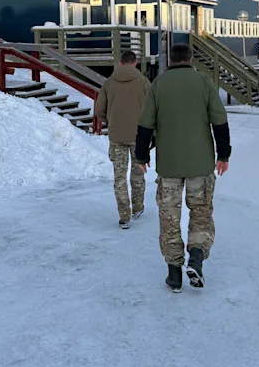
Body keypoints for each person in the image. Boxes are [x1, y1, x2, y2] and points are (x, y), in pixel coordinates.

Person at [135, 43, 232, 293]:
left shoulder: (158, 84)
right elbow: (219, 120)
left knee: (169, 218)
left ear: (171, 60)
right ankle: (197, 257)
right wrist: (223, 154)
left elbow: (145, 123)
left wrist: (142, 154)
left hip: (168, 166)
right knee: (200, 212)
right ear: (189, 58)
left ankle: (174, 274)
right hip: (200, 164)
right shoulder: (203, 83)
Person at [95, 50, 152, 230]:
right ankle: (137, 207)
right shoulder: (143, 82)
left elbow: (99, 111)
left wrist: (110, 121)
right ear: (134, 63)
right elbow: (152, 108)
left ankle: (124, 216)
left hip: (117, 137)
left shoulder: (109, 83)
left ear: (120, 63)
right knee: (137, 174)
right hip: (139, 137)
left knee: (119, 177)